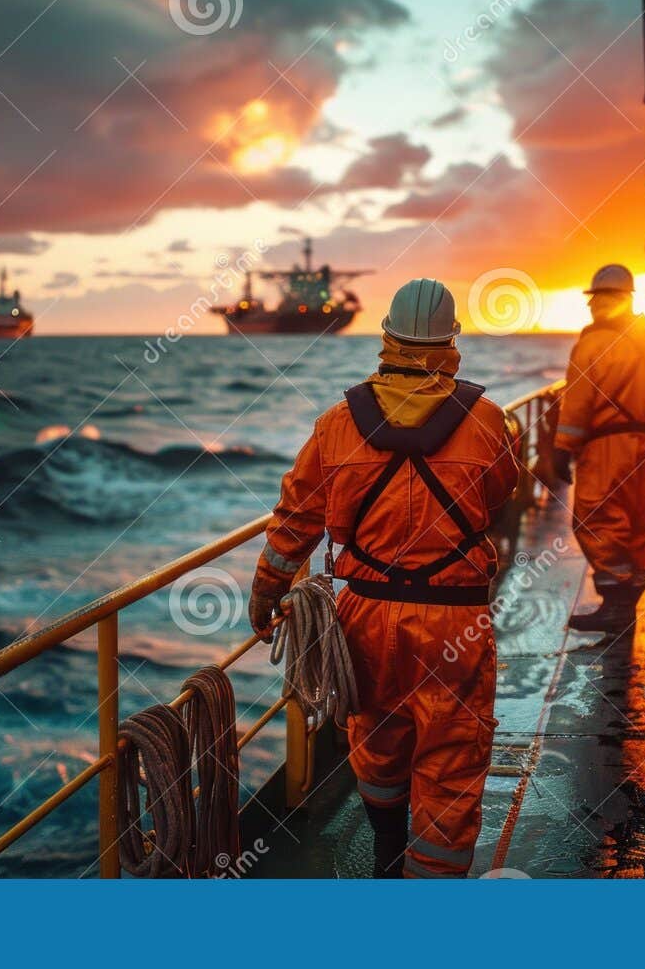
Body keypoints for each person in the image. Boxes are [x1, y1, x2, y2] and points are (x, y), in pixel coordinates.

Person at [248, 278, 519, 878]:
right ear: (451, 342)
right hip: (454, 620)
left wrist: (267, 590)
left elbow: (296, 520)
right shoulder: (489, 421)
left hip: (365, 617)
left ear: (387, 338)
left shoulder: (336, 424)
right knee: (450, 759)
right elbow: (500, 495)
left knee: (376, 740)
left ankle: (386, 860)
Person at [550, 264, 645, 632]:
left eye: (596, 300)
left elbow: (577, 404)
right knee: (638, 520)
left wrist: (562, 448)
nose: (591, 308)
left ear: (605, 301)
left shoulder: (590, 345)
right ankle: (628, 601)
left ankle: (615, 604)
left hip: (606, 447)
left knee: (597, 517)